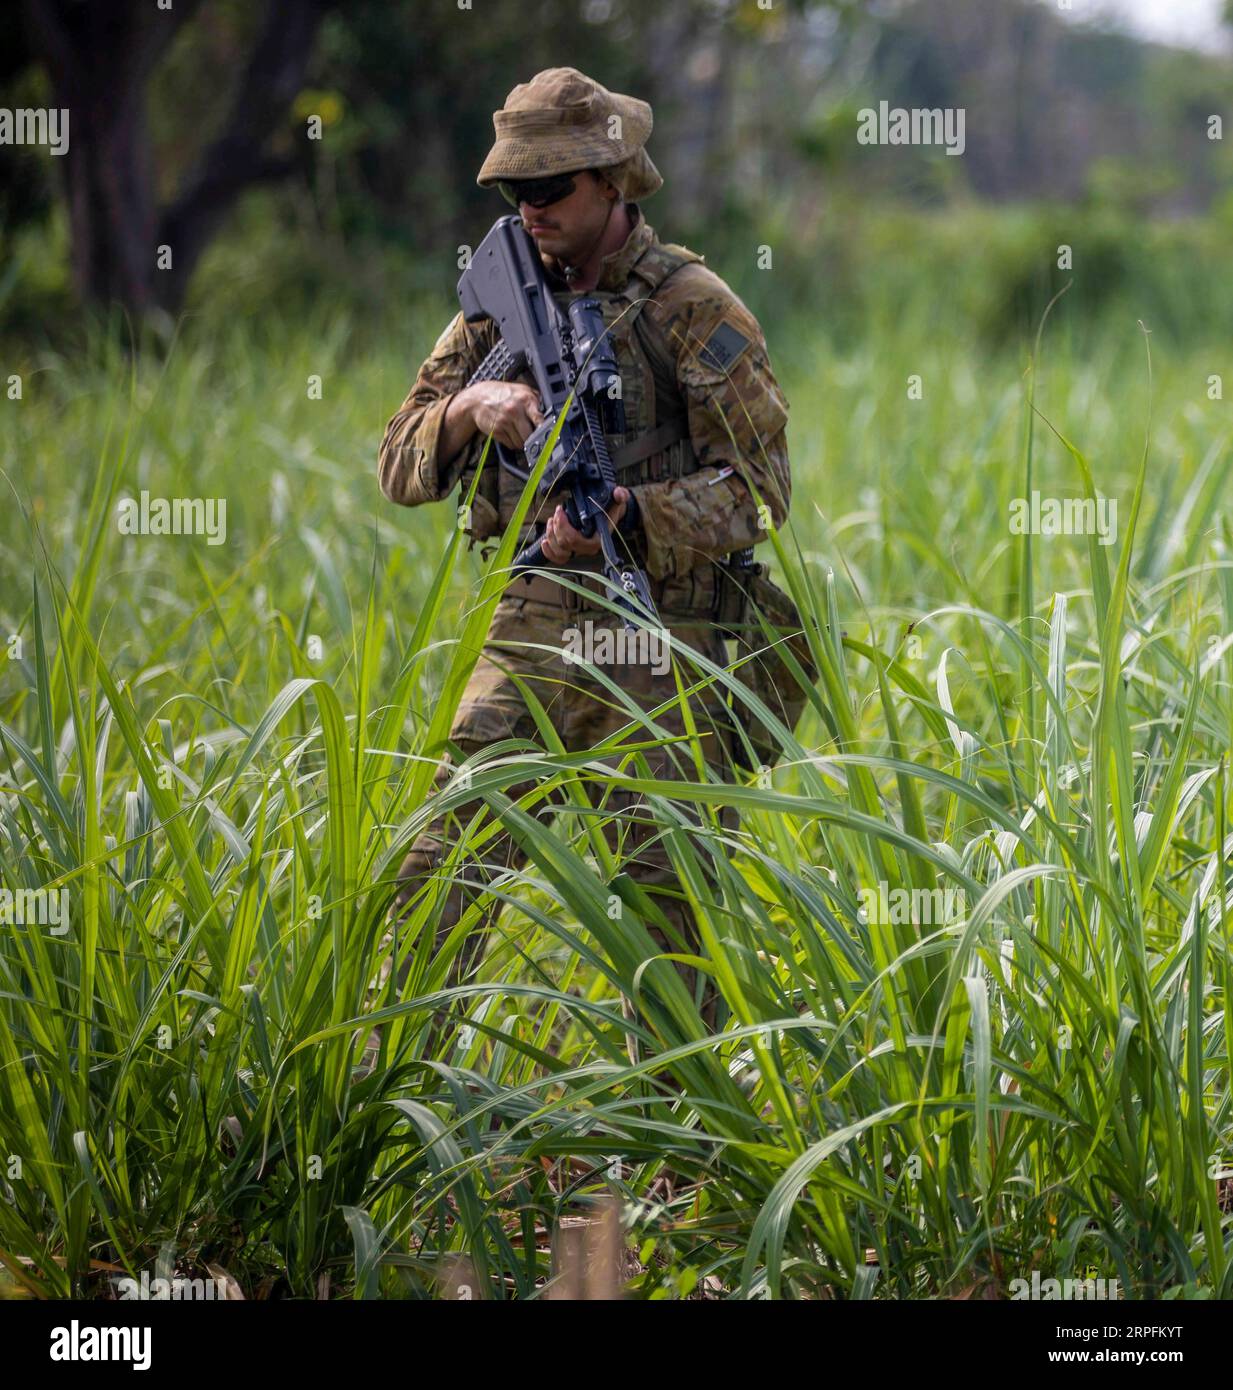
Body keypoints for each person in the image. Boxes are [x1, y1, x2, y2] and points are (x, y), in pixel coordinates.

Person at [372, 66, 791, 1058]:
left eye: (552, 189)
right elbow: (397, 463)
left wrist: (627, 515)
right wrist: (471, 408)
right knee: (440, 866)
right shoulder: (496, 306)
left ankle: (685, 1154)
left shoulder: (694, 308)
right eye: (516, 192)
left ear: (613, 180)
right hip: (531, 622)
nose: (532, 210)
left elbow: (760, 491)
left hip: (660, 634)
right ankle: (383, 1097)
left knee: (667, 903)